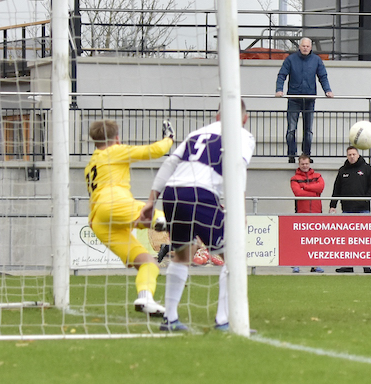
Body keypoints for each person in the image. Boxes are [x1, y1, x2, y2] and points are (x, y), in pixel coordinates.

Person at [140, 105, 256, 332]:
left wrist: (151, 200)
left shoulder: (196, 133)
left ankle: (170, 318)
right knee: (234, 257)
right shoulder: (243, 135)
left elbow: (169, 164)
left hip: (173, 193)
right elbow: (238, 167)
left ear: (217, 115)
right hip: (201, 194)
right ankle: (224, 320)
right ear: (245, 118)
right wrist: (240, 210)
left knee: (183, 255)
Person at [84, 118, 174, 316]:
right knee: (163, 216)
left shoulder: (91, 164)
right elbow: (153, 151)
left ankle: (145, 298)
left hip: (99, 221)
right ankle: (159, 222)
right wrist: (169, 139)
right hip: (113, 204)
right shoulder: (114, 151)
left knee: (148, 262)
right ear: (117, 138)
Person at [274, 37, 334, 162]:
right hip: (294, 98)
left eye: (307, 46)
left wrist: (327, 90)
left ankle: (306, 155)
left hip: (309, 99)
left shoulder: (316, 60)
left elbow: (323, 76)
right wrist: (279, 89)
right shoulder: (290, 59)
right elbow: (282, 75)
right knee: (291, 129)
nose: (305, 48)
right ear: (299, 47)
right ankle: (291, 155)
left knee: (308, 131)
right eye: (303, 46)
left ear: (311, 47)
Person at [329, 146, 371, 273]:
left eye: (353, 154)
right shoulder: (342, 170)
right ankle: (348, 265)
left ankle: (366, 265)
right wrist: (333, 205)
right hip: (347, 209)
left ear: (358, 155)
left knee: (363, 238)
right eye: (349, 154)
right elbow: (336, 189)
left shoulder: (366, 168)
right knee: (348, 239)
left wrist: (366, 199)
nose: (351, 157)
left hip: (363, 210)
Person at [288, 154, 326, 274]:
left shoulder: (317, 176)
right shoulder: (294, 178)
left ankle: (315, 265)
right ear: (299, 164)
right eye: (302, 164)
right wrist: (314, 193)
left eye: (306, 163)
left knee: (315, 241)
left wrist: (304, 187)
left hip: (316, 212)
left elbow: (321, 188)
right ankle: (296, 264)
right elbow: (298, 193)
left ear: (310, 164)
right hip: (301, 212)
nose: (305, 166)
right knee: (299, 240)